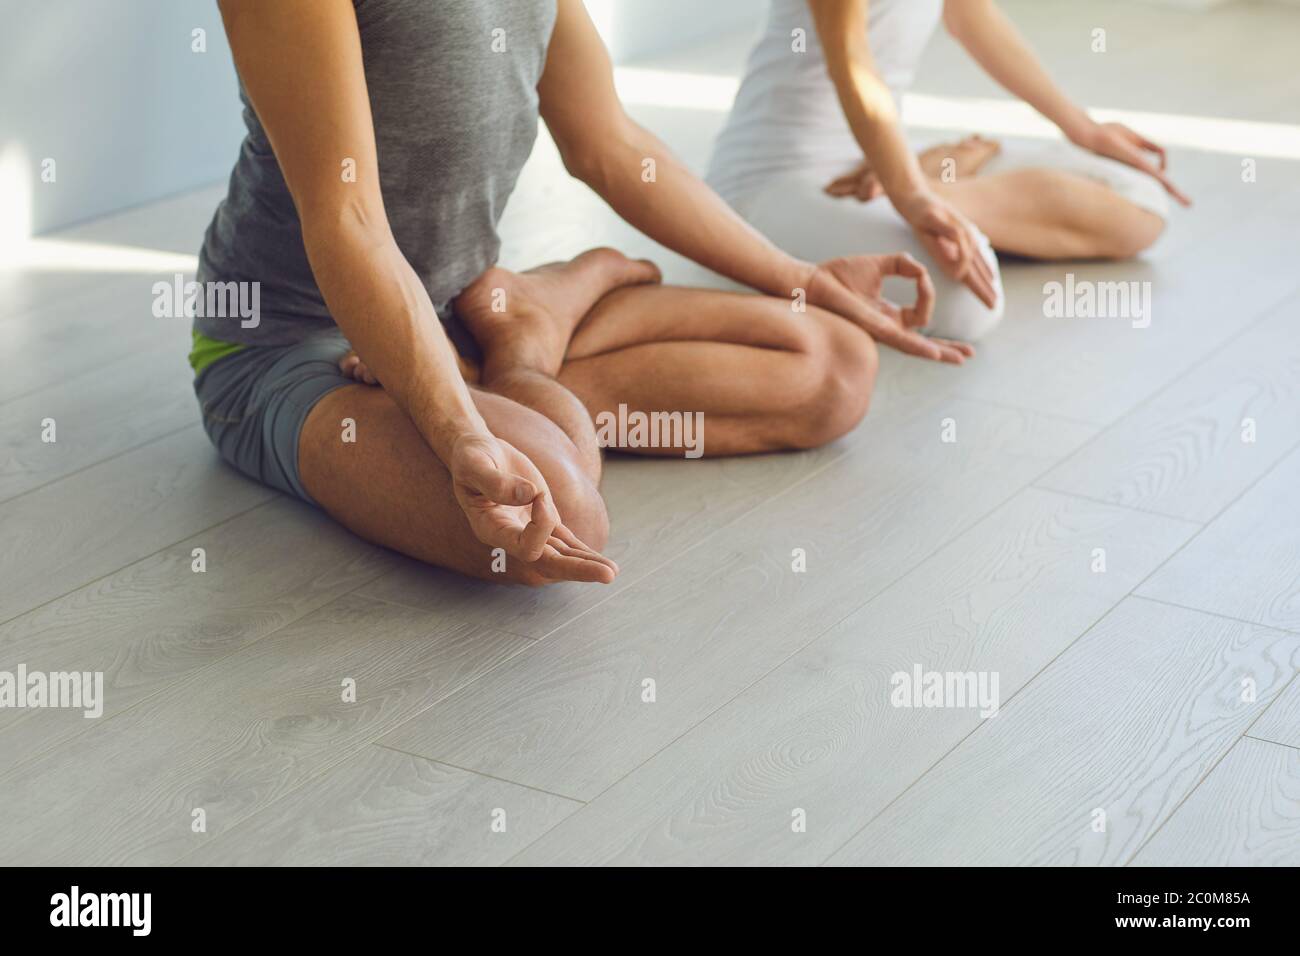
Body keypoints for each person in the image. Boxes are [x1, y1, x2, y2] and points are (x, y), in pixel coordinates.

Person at [191, 0, 963, 589]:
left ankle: (510, 366)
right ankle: (522, 357)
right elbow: (348, 216)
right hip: (294, 344)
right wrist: (462, 433)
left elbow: (612, 146)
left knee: (832, 365)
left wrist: (805, 276)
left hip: (458, 306)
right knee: (557, 507)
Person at [706, 0, 1189, 343]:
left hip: (886, 151)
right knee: (965, 303)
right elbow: (852, 63)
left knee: (1141, 201)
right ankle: (919, 185)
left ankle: (928, 183)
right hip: (779, 179)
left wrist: (1084, 130)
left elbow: (970, 14)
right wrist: (911, 194)